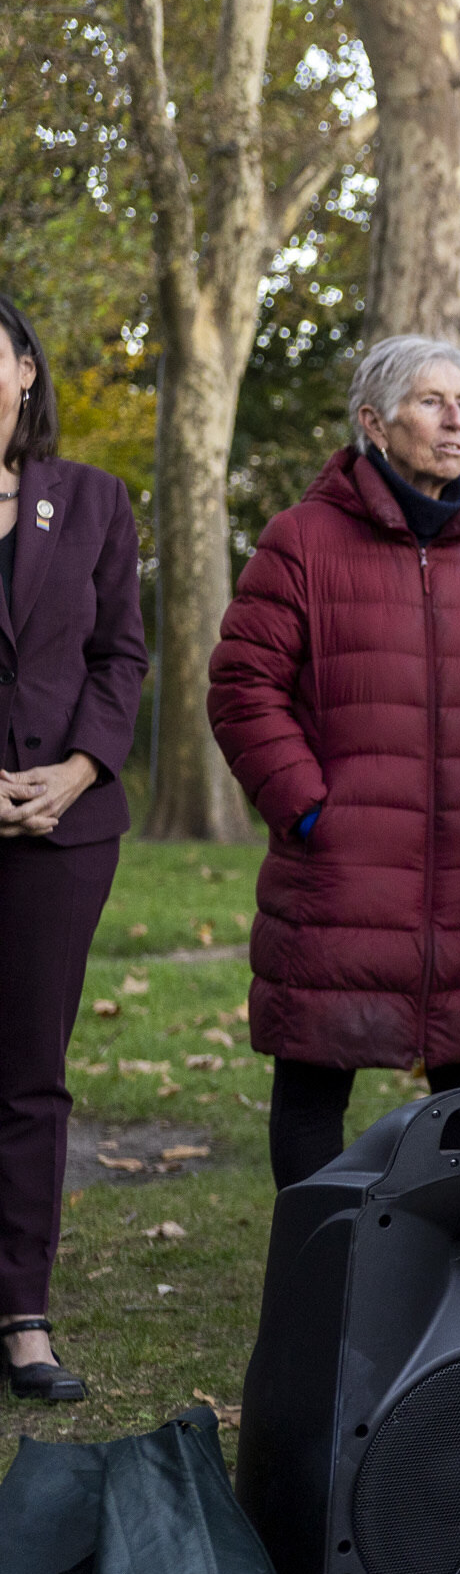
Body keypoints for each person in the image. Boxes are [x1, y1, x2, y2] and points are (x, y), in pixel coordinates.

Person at [208, 336, 460, 1188]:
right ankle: (317, 1284)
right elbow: (242, 686)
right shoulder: (301, 540)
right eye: (433, 402)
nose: (456, 421)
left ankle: (454, 1294)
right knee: (311, 1086)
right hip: (341, 875)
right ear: (374, 421)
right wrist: (306, 808)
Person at [0, 298, 145, 1404]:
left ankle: (24, 1315)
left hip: (63, 825)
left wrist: (81, 769)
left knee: (31, 1069)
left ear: (24, 374)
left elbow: (119, 655)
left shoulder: (92, 500)